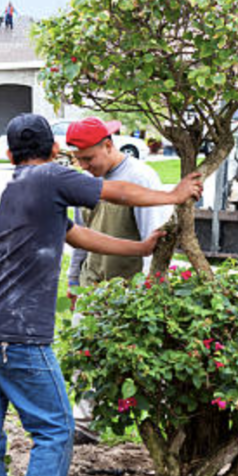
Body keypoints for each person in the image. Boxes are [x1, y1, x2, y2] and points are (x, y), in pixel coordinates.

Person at [0, 113, 203, 476]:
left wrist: (139, 249)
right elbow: (119, 191)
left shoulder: (16, 186)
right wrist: (173, 193)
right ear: (55, 150)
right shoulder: (50, 177)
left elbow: (75, 234)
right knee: (56, 428)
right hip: (18, 333)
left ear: (12, 154)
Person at [64, 117, 170, 444]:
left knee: (139, 366)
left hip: (129, 291)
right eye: (77, 160)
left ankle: (159, 425)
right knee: (85, 357)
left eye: (88, 159)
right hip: (93, 285)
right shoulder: (87, 184)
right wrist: (73, 282)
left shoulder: (140, 179)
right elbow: (81, 236)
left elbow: (156, 243)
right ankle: (84, 426)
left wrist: (151, 292)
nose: (84, 166)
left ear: (108, 146)